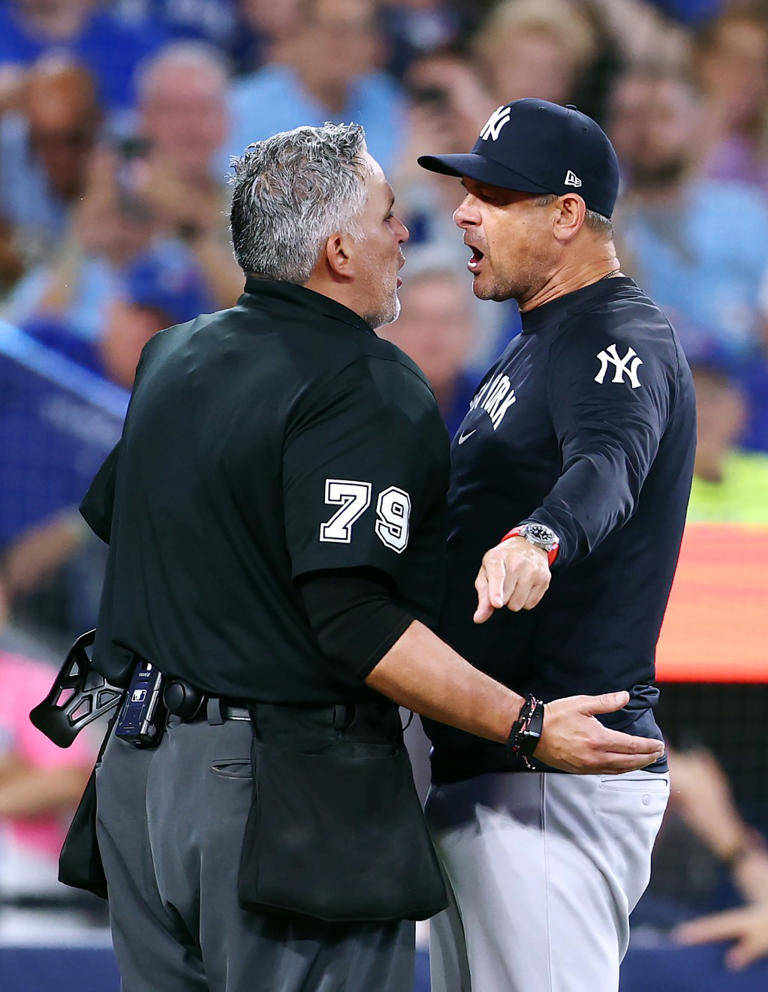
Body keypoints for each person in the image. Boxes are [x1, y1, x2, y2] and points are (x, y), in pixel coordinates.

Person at [77, 122, 664, 992]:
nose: (413, 232)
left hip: (137, 780)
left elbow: (119, 517)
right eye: (392, 217)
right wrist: (527, 724)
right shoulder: (367, 382)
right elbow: (356, 622)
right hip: (277, 793)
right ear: (340, 250)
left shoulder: (174, 355)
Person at [417, 98, 696, 992]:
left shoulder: (619, 331)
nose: (463, 212)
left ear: (566, 215)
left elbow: (611, 459)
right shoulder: (532, 342)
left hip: (553, 779)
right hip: (495, 765)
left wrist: (541, 537)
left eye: (493, 195)